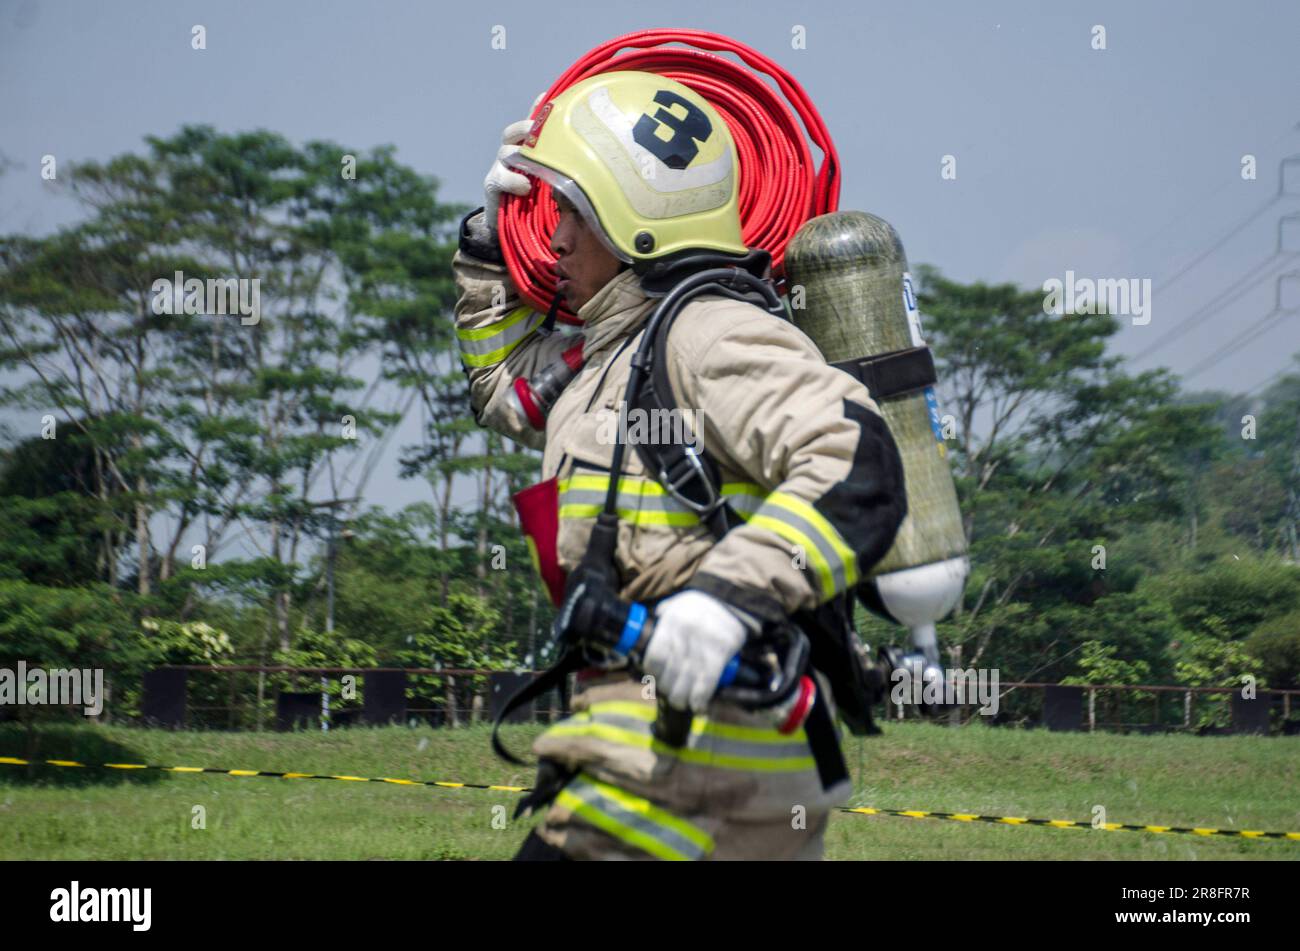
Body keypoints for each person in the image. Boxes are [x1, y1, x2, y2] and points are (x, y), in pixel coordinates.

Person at [453, 70, 907, 860]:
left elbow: (854, 456)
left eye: (568, 213)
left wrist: (727, 599)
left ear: (629, 221)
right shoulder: (612, 351)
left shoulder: (710, 331)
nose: (552, 237)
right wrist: (489, 241)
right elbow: (503, 391)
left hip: (709, 760)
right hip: (658, 752)